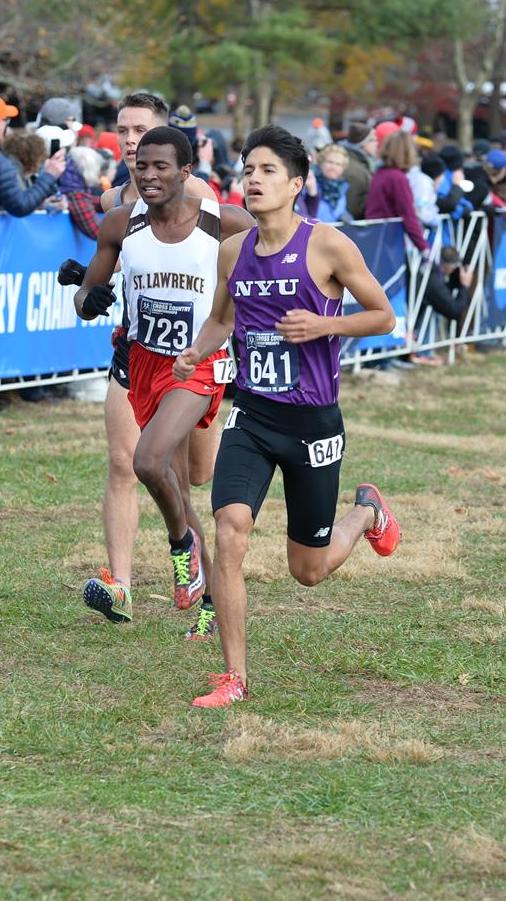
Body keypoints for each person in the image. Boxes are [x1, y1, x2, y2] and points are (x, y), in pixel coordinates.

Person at [173, 125, 400, 708]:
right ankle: (234, 676)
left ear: (296, 184)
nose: (253, 179)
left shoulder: (327, 245)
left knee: (309, 569)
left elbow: (383, 317)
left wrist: (324, 324)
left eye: (268, 171)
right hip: (250, 414)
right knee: (229, 534)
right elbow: (223, 320)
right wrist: (199, 350)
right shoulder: (232, 250)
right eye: (248, 169)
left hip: (313, 422)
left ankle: (366, 513)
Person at [74, 126, 253, 639]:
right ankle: (210, 597)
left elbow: (272, 266)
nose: (149, 175)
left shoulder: (225, 224)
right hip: (146, 365)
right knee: (175, 482)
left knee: (146, 460)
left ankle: (182, 549)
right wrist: (89, 301)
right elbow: (89, 288)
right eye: (142, 166)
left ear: (186, 172)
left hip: (199, 362)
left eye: (161, 167)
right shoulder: (119, 225)